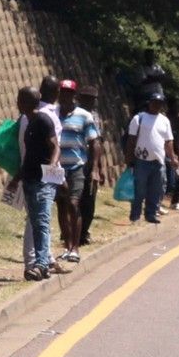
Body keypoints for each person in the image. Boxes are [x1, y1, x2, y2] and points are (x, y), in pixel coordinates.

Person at [16, 86, 59, 281]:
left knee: (41, 221)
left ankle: (41, 264)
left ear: (25, 103)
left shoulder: (43, 120)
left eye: (19, 99)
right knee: (35, 222)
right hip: (29, 179)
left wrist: (50, 168)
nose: (16, 103)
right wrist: (16, 179)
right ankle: (42, 264)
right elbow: (29, 156)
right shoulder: (29, 122)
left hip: (43, 181)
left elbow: (55, 146)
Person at [55, 79, 98, 264]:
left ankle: (75, 247)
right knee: (61, 206)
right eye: (62, 92)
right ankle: (66, 245)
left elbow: (95, 142)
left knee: (74, 204)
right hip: (56, 168)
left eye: (69, 93)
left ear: (74, 96)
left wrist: (95, 168)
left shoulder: (84, 116)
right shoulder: (53, 114)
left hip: (76, 167)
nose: (65, 96)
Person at [125, 90, 175, 226]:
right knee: (139, 189)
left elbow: (169, 141)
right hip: (141, 160)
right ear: (149, 103)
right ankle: (135, 215)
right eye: (154, 102)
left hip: (159, 161)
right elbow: (131, 140)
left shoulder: (165, 120)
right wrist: (129, 159)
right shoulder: (139, 118)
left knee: (156, 189)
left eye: (159, 103)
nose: (157, 105)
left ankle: (151, 214)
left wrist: (173, 157)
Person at [73, 83, 103, 247]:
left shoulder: (96, 117)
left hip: (91, 164)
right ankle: (72, 234)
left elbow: (99, 143)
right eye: (90, 99)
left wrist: (99, 167)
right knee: (74, 200)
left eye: (94, 100)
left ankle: (84, 231)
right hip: (75, 162)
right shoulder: (73, 113)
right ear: (80, 99)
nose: (93, 102)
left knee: (89, 201)